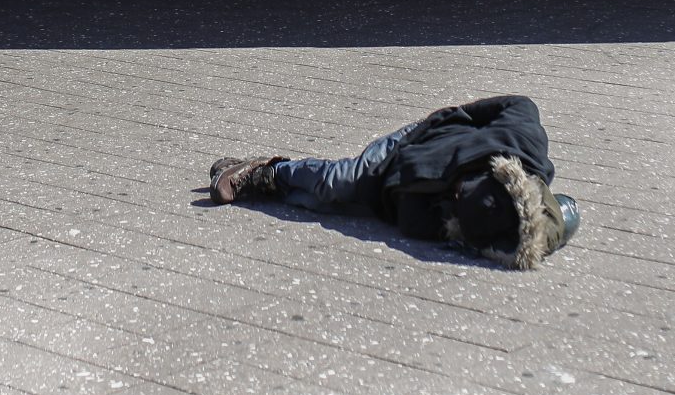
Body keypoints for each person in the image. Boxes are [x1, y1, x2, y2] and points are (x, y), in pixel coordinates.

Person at [209, 94, 578, 271]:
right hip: (413, 144)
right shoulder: (523, 142)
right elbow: (521, 104)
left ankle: (267, 183)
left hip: (398, 191)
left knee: (319, 205)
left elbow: (408, 221)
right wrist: (456, 117)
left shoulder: (459, 223)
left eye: (454, 203)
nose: (452, 194)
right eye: (459, 189)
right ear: (496, 172)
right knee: (339, 182)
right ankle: (270, 171)